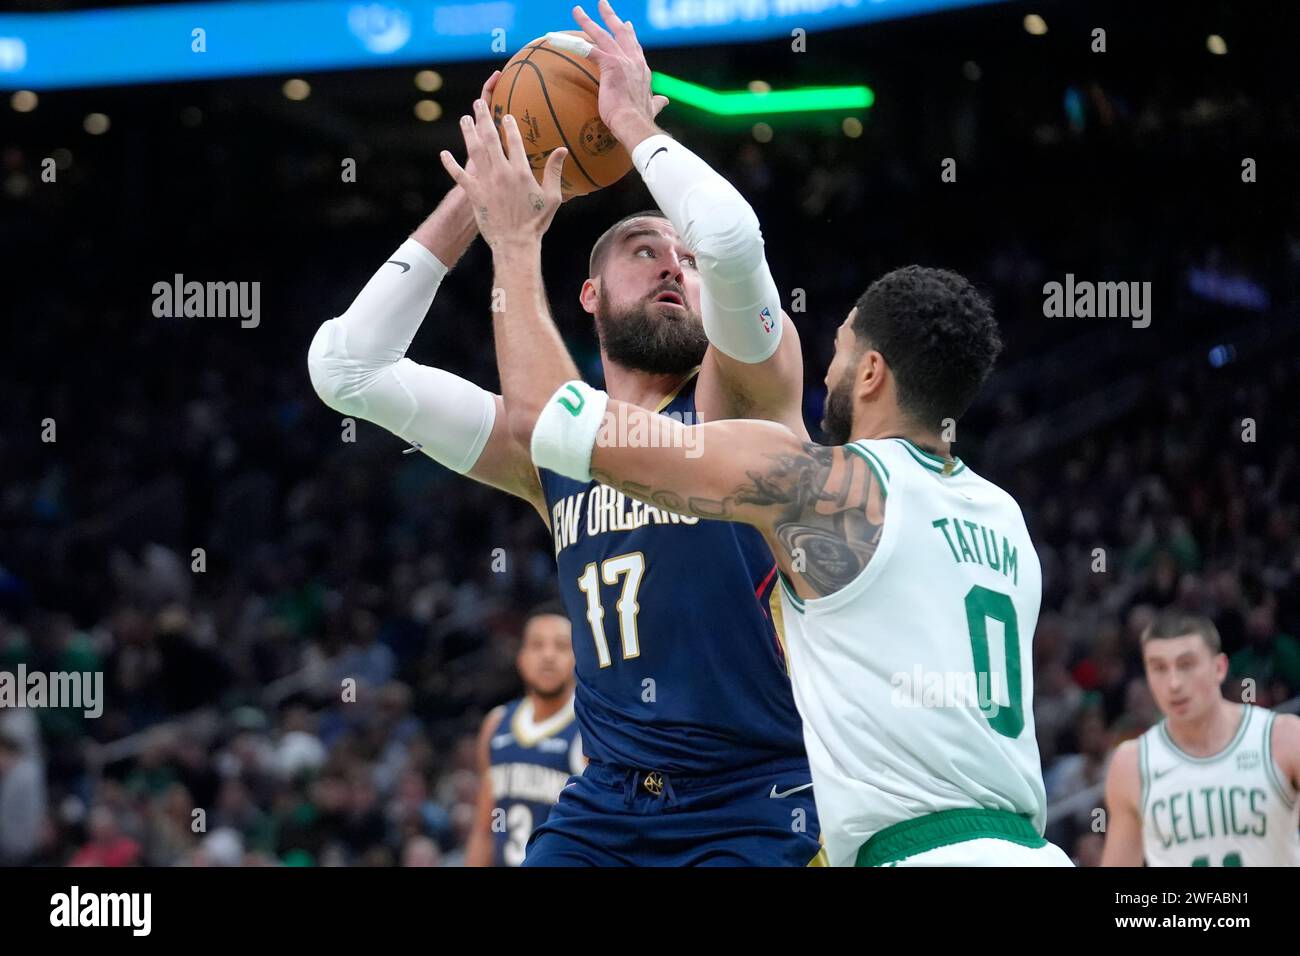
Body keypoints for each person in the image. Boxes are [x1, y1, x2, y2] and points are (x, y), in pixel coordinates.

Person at [441, 91, 1071, 866]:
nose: (824, 370)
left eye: (837, 351)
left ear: (869, 372)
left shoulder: (816, 486)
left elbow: (550, 413)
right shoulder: (1001, 515)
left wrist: (525, 224)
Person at [311, 0, 820, 865]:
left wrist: (628, 126)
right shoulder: (544, 452)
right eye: (644, 251)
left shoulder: (742, 401)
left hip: (758, 793)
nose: (675, 264)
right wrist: (480, 197)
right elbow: (345, 367)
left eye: (683, 261)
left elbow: (731, 244)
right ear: (589, 298)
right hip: (607, 800)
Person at [1101, 611, 1300, 866]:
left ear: (1219, 668)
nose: (1173, 683)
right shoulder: (1130, 764)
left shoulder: (1283, 738)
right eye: (1159, 668)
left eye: (1186, 665)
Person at [465, 604, 581, 867]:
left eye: (561, 646)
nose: (548, 655)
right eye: (537, 645)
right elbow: (484, 831)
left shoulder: (589, 729)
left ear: (579, 657)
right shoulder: (496, 724)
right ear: (521, 658)